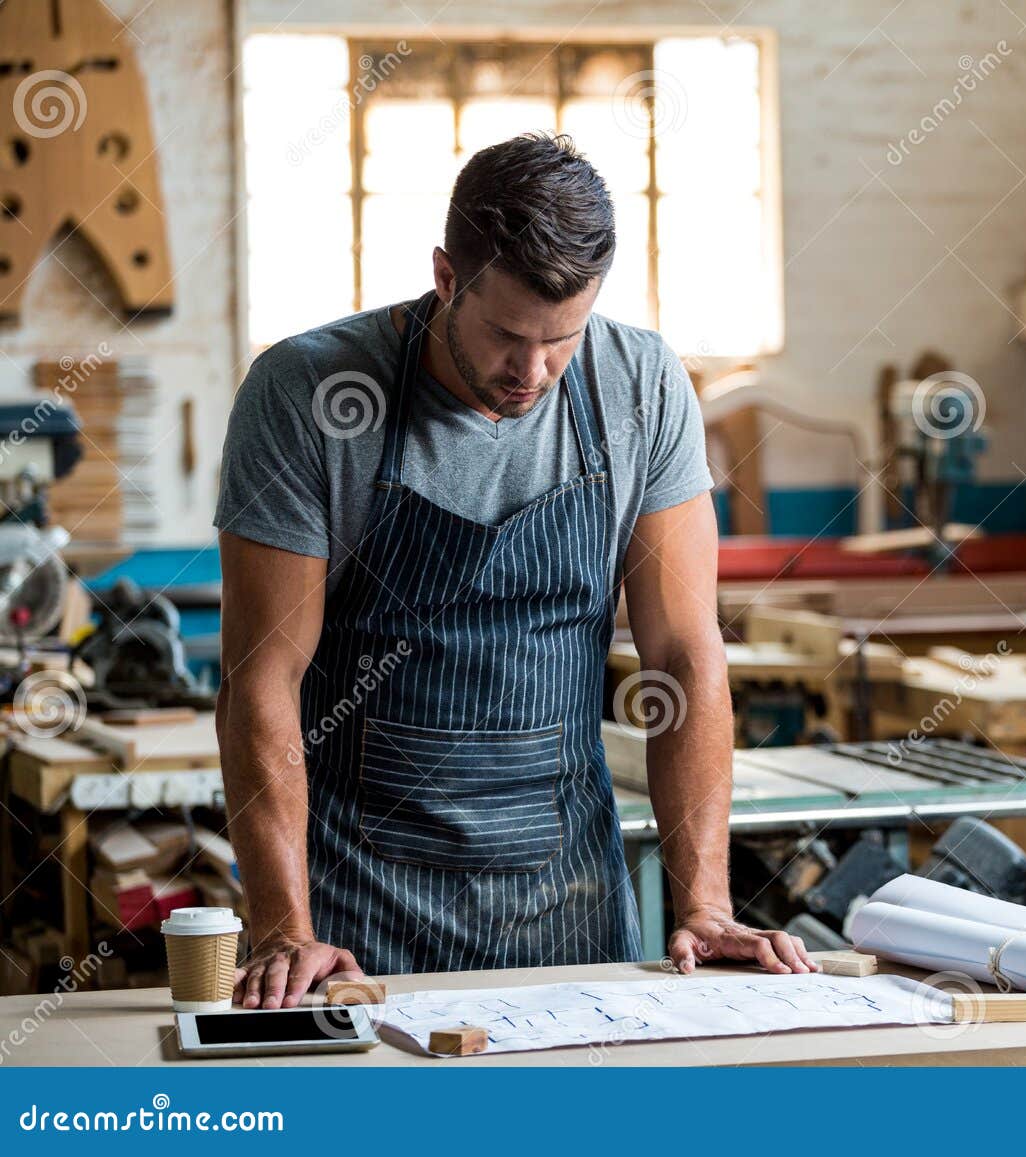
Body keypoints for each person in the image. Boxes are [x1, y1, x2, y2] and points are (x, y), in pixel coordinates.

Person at [214, 133, 814, 1010]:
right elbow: (260, 679)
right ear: (447, 276)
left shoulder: (639, 386)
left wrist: (707, 905)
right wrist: (283, 929)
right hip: (354, 908)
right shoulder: (310, 392)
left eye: (561, 339)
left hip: (565, 898)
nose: (531, 373)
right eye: (505, 335)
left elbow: (684, 656)